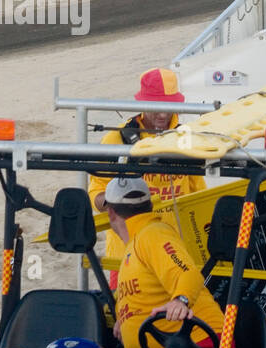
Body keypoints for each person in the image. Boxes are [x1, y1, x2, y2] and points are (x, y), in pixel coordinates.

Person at [104, 177, 239, 348]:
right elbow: (146, 293)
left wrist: (180, 300)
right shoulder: (136, 244)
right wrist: (125, 318)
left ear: (111, 212)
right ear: (149, 204)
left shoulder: (153, 234)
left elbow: (188, 273)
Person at [88, 68, 206, 291]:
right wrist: (118, 199)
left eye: (168, 108)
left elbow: (197, 196)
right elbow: (97, 195)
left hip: (175, 252)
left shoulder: (186, 139)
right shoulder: (116, 139)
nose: (162, 115)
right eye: (156, 108)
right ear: (142, 105)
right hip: (127, 253)